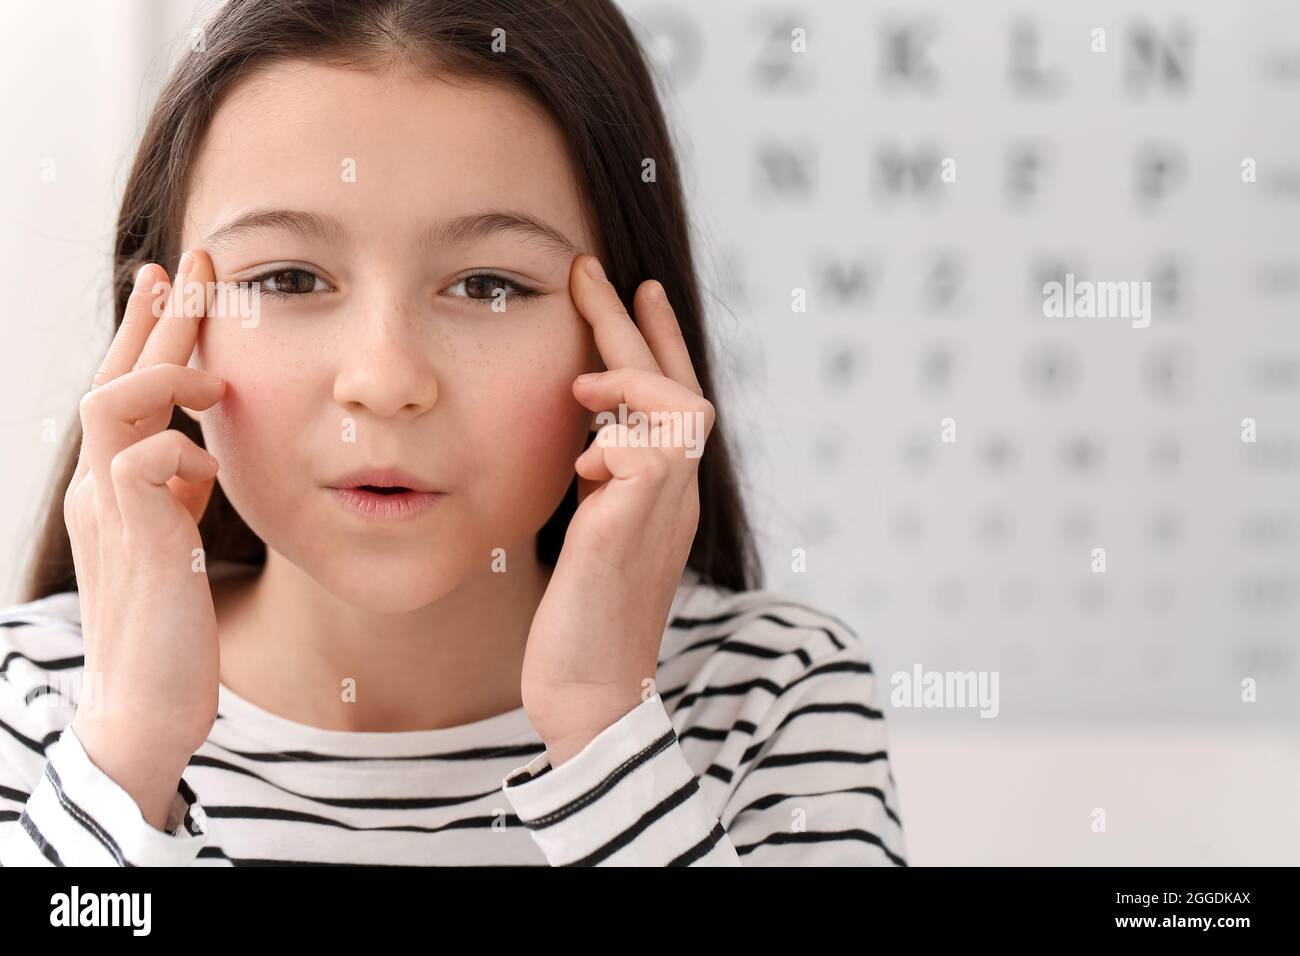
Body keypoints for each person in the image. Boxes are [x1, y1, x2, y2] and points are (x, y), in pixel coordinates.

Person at [0, 0, 905, 866]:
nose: (387, 381)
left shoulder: (769, 693)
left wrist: (606, 732)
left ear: (620, 331)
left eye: (488, 286)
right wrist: (129, 751)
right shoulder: (37, 696)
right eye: (285, 280)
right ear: (160, 326)